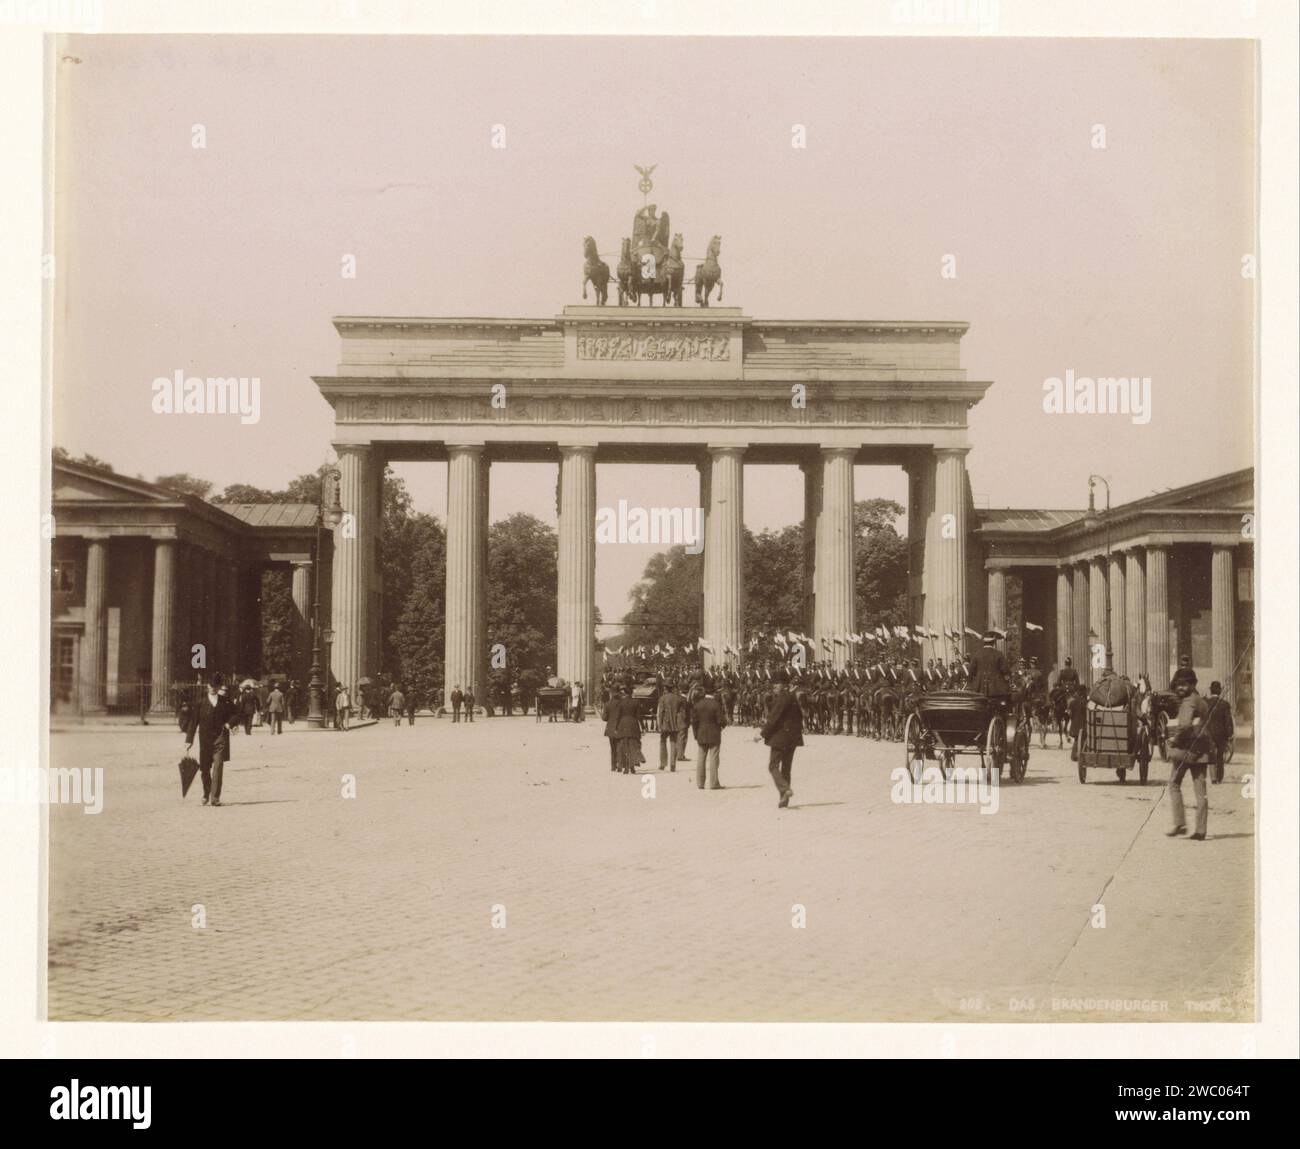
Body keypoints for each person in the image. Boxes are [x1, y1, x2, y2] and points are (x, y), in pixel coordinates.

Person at [1166, 675, 1212, 840]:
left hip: (1186, 751)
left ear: (1192, 685)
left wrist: (1175, 739)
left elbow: (1184, 725)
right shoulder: (1202, 702)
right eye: (1178, 685)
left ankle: (1180, 823)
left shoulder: (1188, 702)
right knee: (1200, 791)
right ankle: (1201, 830)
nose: (1180, 688)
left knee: (1174, 784)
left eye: (1184, 685)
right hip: (1201, 752)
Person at [184, 672, 237, 807]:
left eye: (216, 686)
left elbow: (236, 713)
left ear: (219, 687)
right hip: (205, 741)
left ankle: (215, 798)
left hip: (220, 738)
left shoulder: (225, 701)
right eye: (211, 686)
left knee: (218, 766)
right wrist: (189, 740)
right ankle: (206, 793)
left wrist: (229, 723)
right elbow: (193, 722)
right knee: (205, 769)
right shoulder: (200, 702)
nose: (213, 688)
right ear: (207, 686)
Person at [758, 667, 803, 809]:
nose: (774, 686)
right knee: (786, 769)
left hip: (781, 738)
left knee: (772, 766)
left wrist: (761, 734)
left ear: (784, 684)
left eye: (777, 683)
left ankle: (784, 789)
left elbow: (773, 719)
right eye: (773, 683)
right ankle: (784, 799)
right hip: (792, 739)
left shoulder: (782, 699)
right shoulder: (792, 697)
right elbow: (799, 717)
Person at [691, 676, 727, 790]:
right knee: (714, 758)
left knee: (701, 758)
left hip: (701, 733)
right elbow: (721, 720)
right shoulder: (716, 704)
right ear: (714, 691)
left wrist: (696, 734)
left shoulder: (698, 704)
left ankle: (700, 783)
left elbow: (694, 721)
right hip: (714, 734)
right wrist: (722, 725)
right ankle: (714, 783)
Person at [1205, 681, 1234, 785]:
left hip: (1208, 733)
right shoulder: (1225, 704)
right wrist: (1230, 734)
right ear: (1220, 691)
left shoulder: (1206, 703)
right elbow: (1228, 721)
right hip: (1221, 734)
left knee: (1211, 755)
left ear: (1210, 690)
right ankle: (1219, 777)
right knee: (1220, 755)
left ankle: (1213, 778)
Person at [968, 632, 1012, 701]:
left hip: (979, 688)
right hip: (996, 689)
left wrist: (972, 683)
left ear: (983, 642)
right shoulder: (999, 654)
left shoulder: (976, 654)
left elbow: (971, 671)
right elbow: (1005, 670)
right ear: (993, 642)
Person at [613, 685, 644, 775]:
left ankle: (625, 767)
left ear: (624, 693)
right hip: (633, 724)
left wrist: (616, 727)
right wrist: (643, 727)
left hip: (623, 724)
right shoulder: (636, 702)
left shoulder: (621, 702)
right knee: (633, 745)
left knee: (623, 746)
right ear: (631, 693)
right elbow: (639, 716)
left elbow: (618, 716)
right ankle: (632, 766)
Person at [656, 682, 681, 771]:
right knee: (673, 743)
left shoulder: (662, 698)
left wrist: (659, 725)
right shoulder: (677, 698)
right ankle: (673, 764)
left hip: (665, 724)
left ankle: (663, 763)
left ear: (665, 688)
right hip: (675, 724)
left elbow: (660, 713)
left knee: (663, 742)